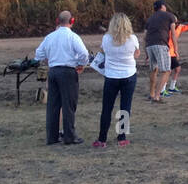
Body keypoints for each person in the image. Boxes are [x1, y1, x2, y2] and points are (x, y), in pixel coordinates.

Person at [35, 10, 90, 145]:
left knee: (53, 105)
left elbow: (38, 54)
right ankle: (69, 136)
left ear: (57, 21)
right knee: (69, 105)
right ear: (72, 21)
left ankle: (52, 137)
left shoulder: (50, 37)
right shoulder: (73, 37)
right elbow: (84, 54)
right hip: (68, 72)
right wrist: (81, 65)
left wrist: (48, 60)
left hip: (53, 72)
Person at [95, 13, 140, 148]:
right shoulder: (132, 39)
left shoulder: (106, 38)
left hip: (111, 76)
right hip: (128, 75)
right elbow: (136, 54)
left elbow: (103, 51)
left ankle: (102, 139)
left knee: (107, 108)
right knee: (125, 107)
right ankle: (121, 137)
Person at [144, 0, 176, 103]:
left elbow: (144, 36)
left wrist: (146, 52)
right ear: (163, 6)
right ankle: (157, 96)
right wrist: (176, 49)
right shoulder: (169, 16)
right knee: (166, 70)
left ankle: (151, 94)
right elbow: (173, 34)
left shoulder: (150, 19)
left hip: (149, 45)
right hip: (161, 44)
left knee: (154, 70)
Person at [164, 19, 188, 96]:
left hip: (172, 52)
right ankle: (163, 89)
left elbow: (187, 26)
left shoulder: (179, 27)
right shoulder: (165, 29)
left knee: (176, 69)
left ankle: (171, 87)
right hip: (167, 52)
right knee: (168, 71)